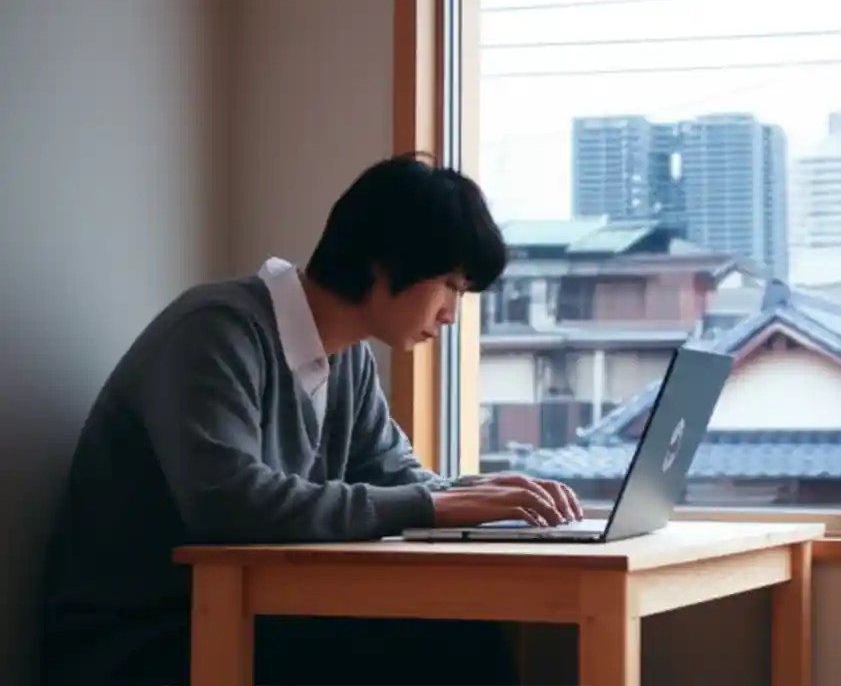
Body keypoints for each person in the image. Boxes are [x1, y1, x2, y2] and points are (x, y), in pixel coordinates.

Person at [40, 154, 582, 685]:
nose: (450, 314)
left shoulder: (348, 359)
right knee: (454, 642)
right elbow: (229, 505)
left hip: (243, 614)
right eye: (449, 284)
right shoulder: (214, 331)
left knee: (464, 630)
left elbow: (395, 477)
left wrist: (487, 497)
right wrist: (437, 504)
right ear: (384, 264)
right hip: (139, 640)